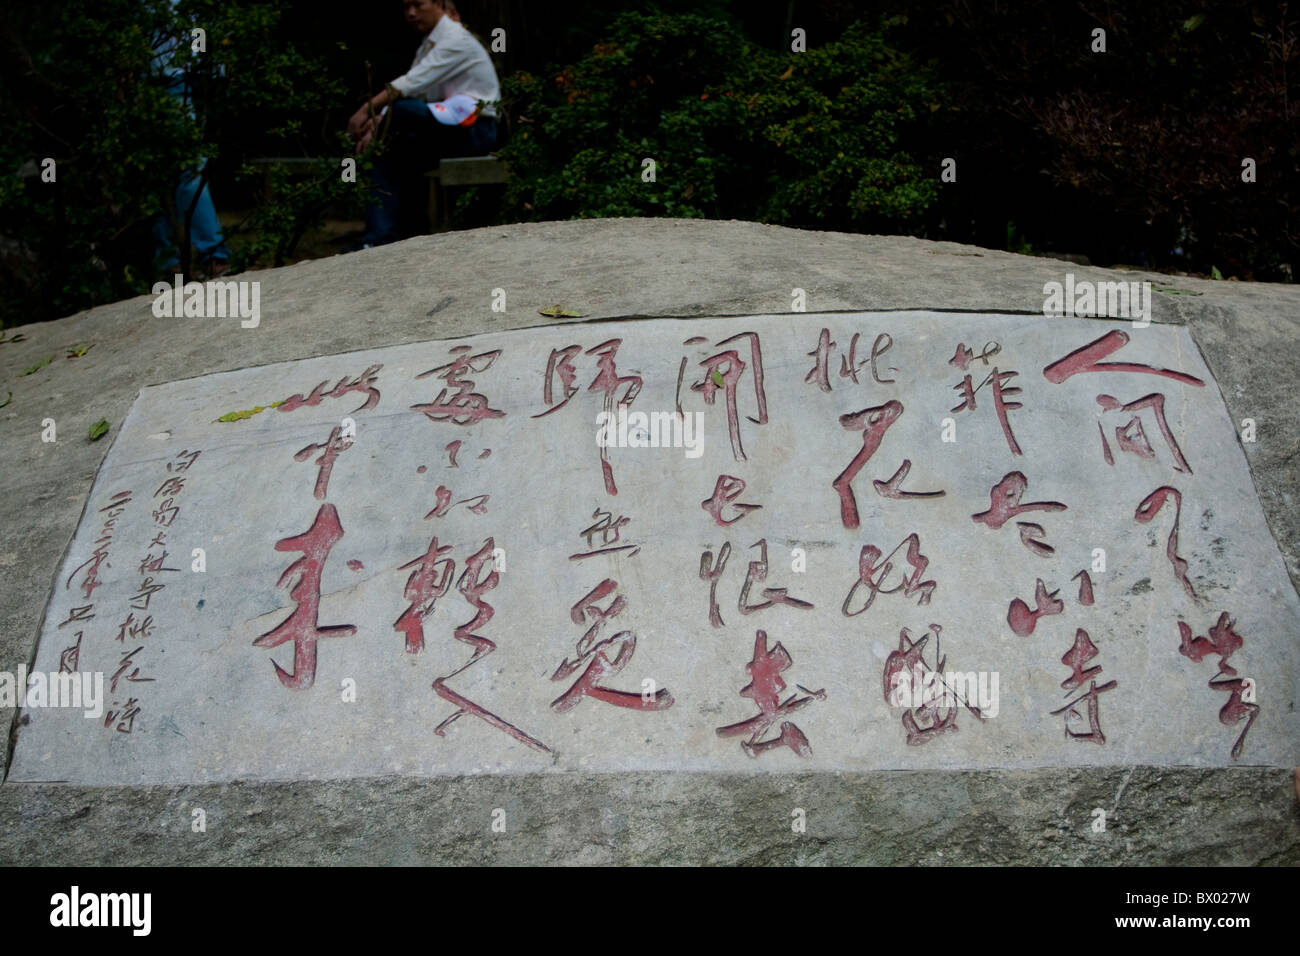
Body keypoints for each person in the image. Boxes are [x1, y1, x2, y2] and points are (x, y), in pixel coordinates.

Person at [347, 0, 501, 247]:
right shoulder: (428, 45)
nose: (410, 13)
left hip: (476, 130)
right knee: (390, 154)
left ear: (439, 4)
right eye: (406, 6)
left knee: (403, 113)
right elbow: (413, 92)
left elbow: (410, 85)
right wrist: (378, 126)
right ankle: (386, 239)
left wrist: (368, 112)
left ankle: (391, 236)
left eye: (418, 5)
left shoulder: (455, 40)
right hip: (447, 129)